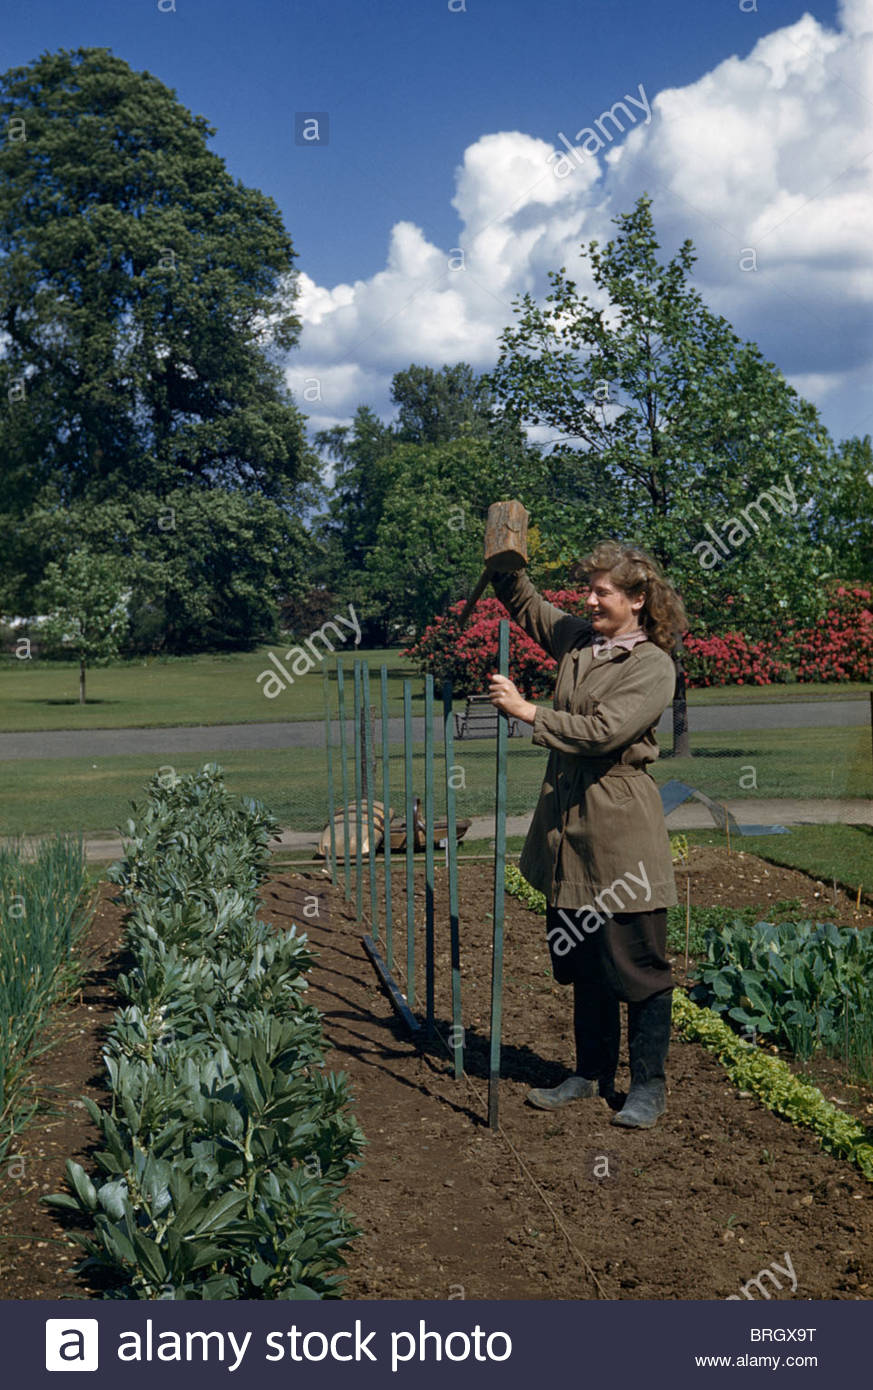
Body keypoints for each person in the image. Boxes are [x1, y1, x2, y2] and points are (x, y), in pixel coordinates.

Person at [487, 540, 687, 1129]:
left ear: (638, 598)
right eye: (590, 588)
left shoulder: (652, 664)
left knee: (638, 963)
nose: (590, 598)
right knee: (583, 955)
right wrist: (503, 565)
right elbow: (528, 606)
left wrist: (527, 712)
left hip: (620, 829)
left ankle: (648, 1086)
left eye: (603, 590)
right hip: (567, 828)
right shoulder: (580, 640)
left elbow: (603, 733)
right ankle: (590, 1072)